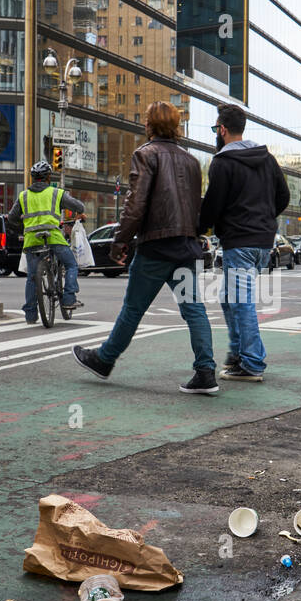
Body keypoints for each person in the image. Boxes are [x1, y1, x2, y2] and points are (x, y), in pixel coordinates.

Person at [73, 102, 218, 393]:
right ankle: (205, 372)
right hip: (185, 246)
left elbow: (135, 204)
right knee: (194, 309)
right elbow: (195, 205)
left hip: (155, 246)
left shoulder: (145, 154)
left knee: (133, 309)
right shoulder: (191, 161)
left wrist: (120, 240)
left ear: (149, 125)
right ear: (176, 126)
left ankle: (104, 359)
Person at [197, 103, 290, 383]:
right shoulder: (267, 159)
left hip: (240, 242)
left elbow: (213, 205)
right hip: (263, 242)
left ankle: (252, 362)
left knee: (241, 300)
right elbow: (283, 195)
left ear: (223, 130)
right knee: (230, 297)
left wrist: (199, 228)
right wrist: (264, 219)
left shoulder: (223, 163)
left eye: (216, 128)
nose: (217, 133)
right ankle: (239, 355)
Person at [8, 160, 84, 324]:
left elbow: (12, 218)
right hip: (53, 237)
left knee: (32, 277)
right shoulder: (56, 193)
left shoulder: (23, 196)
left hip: (31, 240)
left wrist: (26, 226)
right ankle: (69, 298)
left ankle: (30, 314)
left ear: (33, 178)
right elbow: (80, 206)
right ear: (48, 177)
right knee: (71, 265)